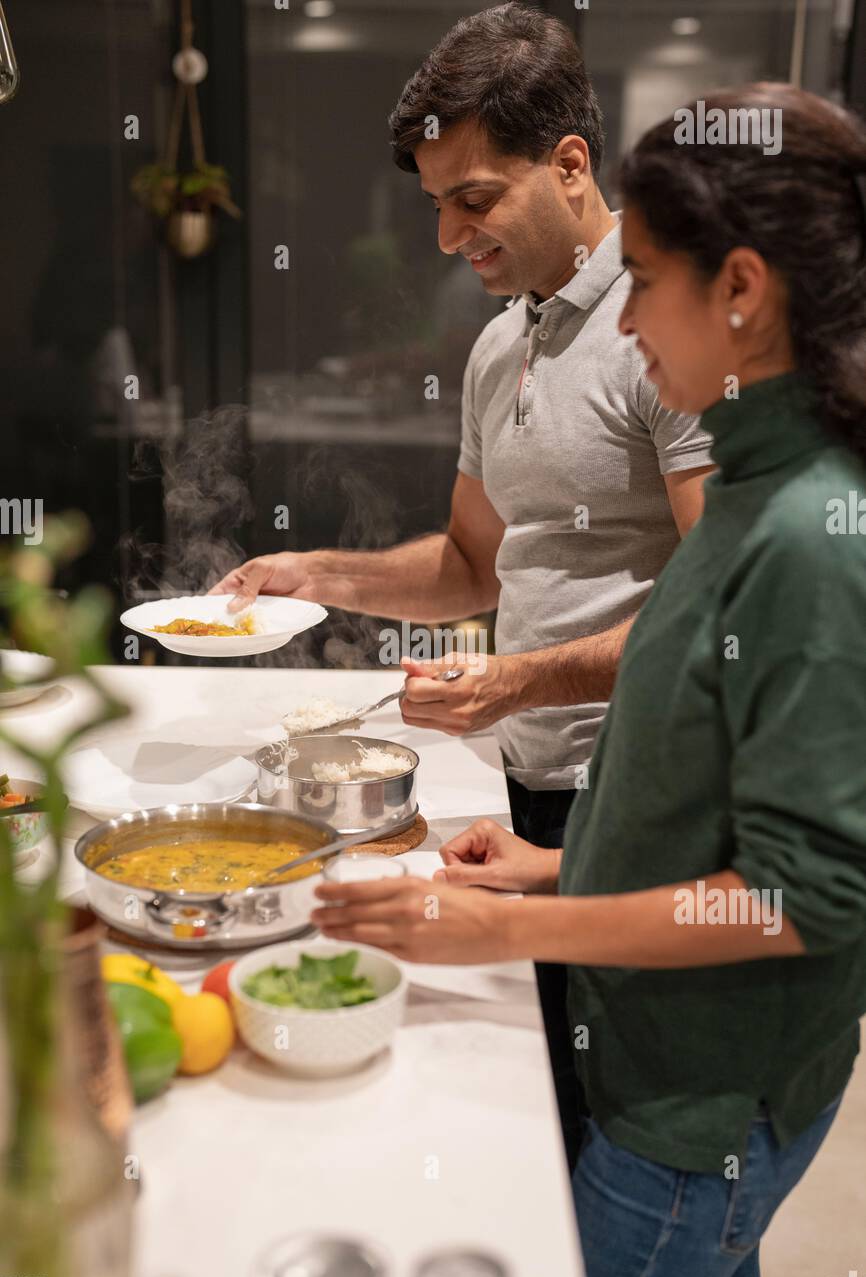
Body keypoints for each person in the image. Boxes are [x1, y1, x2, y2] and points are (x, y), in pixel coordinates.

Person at [308, 83, 866, 1277]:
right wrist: (555, 869)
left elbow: (800, 893)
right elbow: (708, 798)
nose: (622, 324)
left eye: (648, 278)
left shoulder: (808, 534)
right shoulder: (755, 486)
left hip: (696, 1098)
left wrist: (512, 931)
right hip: (661, 1060)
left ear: (740, 290)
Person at [211, 5, 714, 1170]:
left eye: (473, 198)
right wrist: (315, 574)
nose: (445, 235)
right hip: (528, 796)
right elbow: (472, 565)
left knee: (646, 1147)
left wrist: (519, 676)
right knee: (552, 1115)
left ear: (570, 164)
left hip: (645, 799)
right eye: (434, 202)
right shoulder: (504, 344)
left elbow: (717, 605)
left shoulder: (670, 326)